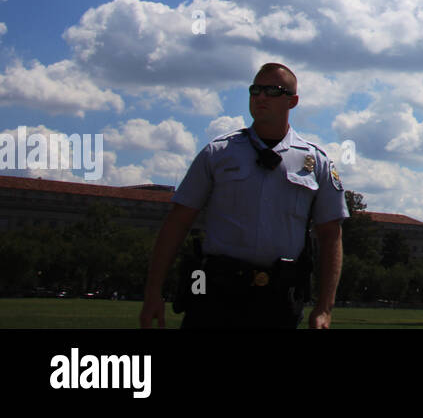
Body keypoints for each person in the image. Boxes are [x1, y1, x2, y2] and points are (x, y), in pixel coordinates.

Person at [139, 62, 348, 328]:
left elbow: (331, 235)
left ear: (292, 101)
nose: (260, 97)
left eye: (272, 90)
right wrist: (153, 292)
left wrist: (324, 308)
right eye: (255, 90)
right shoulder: (218, 153)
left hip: (278, 301)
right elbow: (177, 222)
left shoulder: (315, 162)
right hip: (214, 294)